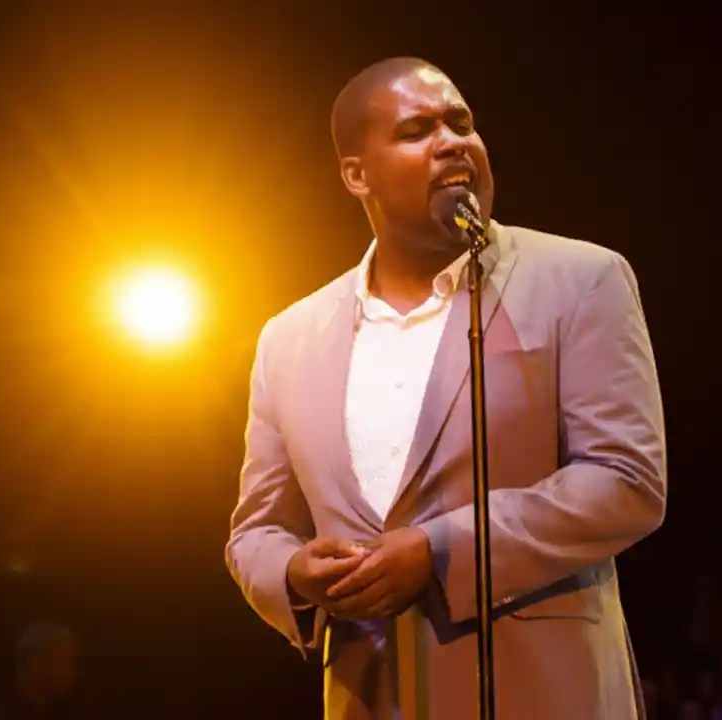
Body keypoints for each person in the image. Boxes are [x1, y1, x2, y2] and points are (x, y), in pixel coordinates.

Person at [224, 56, 667, 719]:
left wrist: (438, 551)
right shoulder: (289, 337)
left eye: (461, 122)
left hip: (544, 694)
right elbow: (256, 531)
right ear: (356, 173)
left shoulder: (579, 280)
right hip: (372, 696)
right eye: (416, 130)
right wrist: (292, 574)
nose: (454, 140)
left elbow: (626, 479)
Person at [0, 622, 80, 719]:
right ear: (34, 662)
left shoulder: (60, 710)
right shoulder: (1, 712)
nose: (70, 673)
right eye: (62, 663)